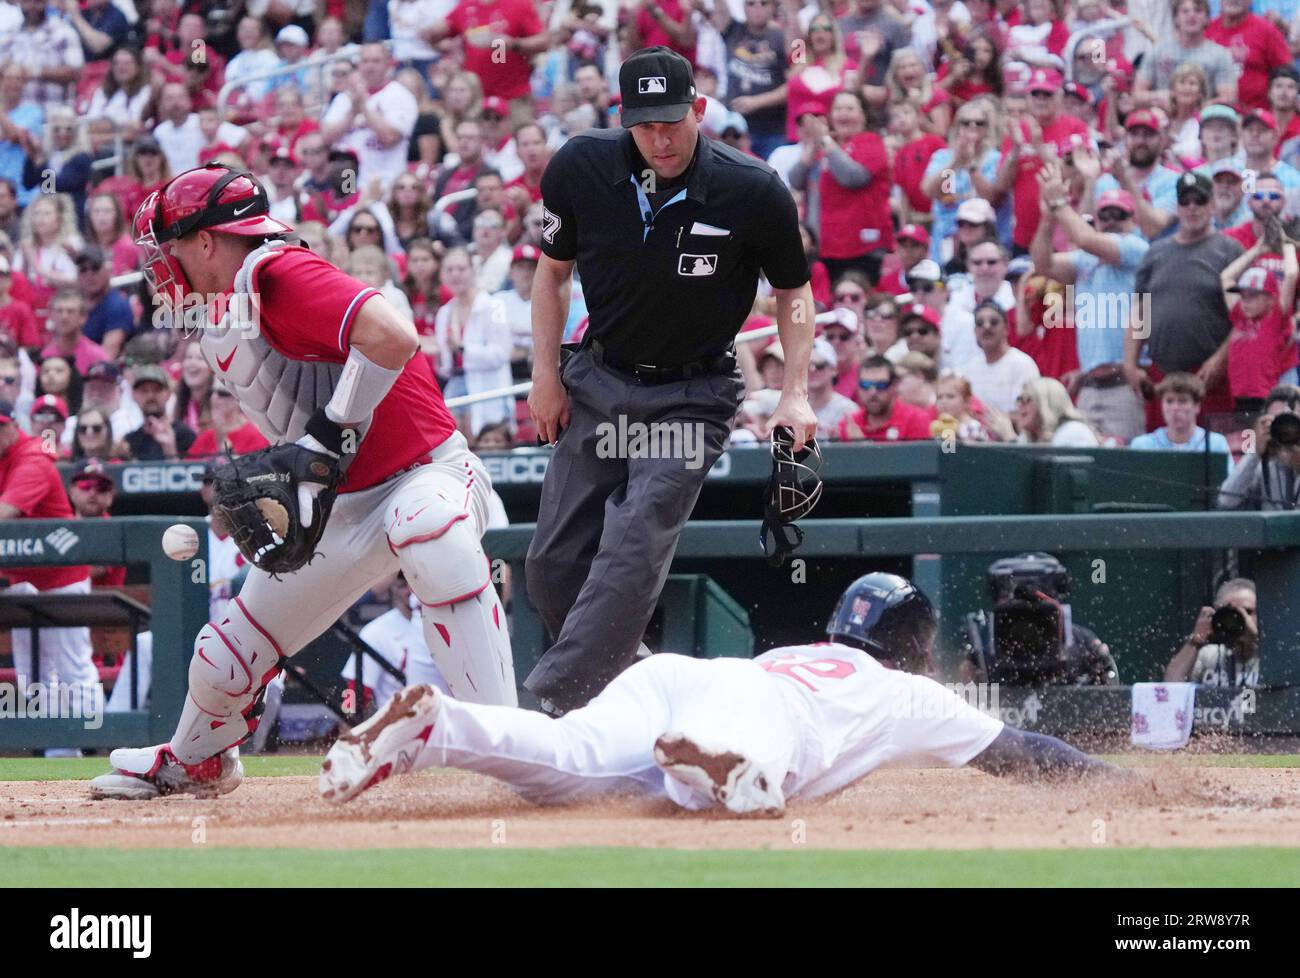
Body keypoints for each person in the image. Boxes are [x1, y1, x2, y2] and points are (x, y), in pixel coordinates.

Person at [88, 162, 517, 801]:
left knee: (429, 529)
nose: (161, 266)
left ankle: (513, 751)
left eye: (168, 248)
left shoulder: (276, 271)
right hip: (345, 498)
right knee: (228, 653)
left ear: (206, 241)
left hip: (427, 472)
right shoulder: (223, 306)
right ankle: (195, 759)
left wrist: (326, 435)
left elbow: (393, 336)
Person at [524, 47, 814, 715]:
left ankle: (555, 706)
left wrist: (795, 390)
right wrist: (546, 375)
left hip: (693, 395)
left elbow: (794, 294)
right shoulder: (579, 167)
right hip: (597, 380)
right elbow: (551, 274)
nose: (660, 137)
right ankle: (650, 693)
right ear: (624, 119)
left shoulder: (754, 188)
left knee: (634, 537)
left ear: (700, 112)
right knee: (551, 568)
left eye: (672, 121)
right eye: (645, 123)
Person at [321, 572, 1123, 811]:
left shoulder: (804, 650)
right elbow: (1024, 751)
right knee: (754, 778)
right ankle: (726, 769)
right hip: (754, 711)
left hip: (686, 673)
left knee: (570, 763)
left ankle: (441, 727)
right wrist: (1122, 783)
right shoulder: (902, 692)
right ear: (913, 644)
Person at [0, 397, 99, 718]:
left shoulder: (32, 459)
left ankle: (98, 746)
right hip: (23, 580)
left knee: (73, 670)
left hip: (62, 579)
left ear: (14, 427)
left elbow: (5, 512)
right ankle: (59, 752)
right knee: (33, 678)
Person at [1031, 175, 1149, 442]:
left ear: (1134, 221)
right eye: (1104, 214)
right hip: (1090, 385)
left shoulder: (1137, 247)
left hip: (1124, 385)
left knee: (1121, 467)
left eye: (1119, 214)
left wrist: (1058, 202)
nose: (1110, 220)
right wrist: (1048, 219)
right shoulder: (1084, 261)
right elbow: (1041, 264)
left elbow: (1084, 238)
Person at [1126, 172, 1244, 429]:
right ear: (1177, 207)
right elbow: (1139, 311)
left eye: (1199, 201)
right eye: (1185, 201)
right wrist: (1130, 364)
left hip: (1209, 378)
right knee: (1162, 459)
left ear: (1212, 205)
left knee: (1213, 457)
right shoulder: (1155, 253)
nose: (1192, 207)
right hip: (1162, 377)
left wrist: (1219, 360)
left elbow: (1244, 317)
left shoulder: (1230, 250)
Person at [341, 572, 450, 718]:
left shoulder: (450, 625)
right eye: (403, 585)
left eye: (415, 583)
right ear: (391, 589)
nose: (411, 591)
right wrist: (349, 721)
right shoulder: (376, 631)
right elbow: (355, 690)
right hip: (401, 723)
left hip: (450, 718)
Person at [319, 44, 418, 194]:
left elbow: (390, 137)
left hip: (385, 179)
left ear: (388, 64)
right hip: (348, 178)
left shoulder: (400, 95)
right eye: (365, 61)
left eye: (376, 61)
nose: (370, 67)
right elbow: (326, 137)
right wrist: (352, 111)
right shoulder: (344, 97)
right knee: (347, 208)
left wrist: (364, 107)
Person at [1221, 241, 1299, 412]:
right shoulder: (1240, 316)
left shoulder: (1275, 318)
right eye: (1243, 296)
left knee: (1269, 437)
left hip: (1267, 400)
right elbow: (1226, 277)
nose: (1246, 301)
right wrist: (1258, 249)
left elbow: (1292, 274)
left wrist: (1286, 245)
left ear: (1271, 298)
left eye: (1253, 296)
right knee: (1246, 438)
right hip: (1239, 399)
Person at [1164, 578, 1260, 687]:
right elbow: (1171, 687)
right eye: (1229, 614)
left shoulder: (1272, 657)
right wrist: (1195, 641)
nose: (1237, 619)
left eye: (1248, 612)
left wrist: (1255, 638)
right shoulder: (1209, 656)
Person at [1217, 383, 1300, 509]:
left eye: (1291, 419)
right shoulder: (1263, 465)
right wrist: (1255, 453)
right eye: (1276, 420)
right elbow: (1226, 500)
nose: (1285, 427)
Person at [957, 299, 1040, 415]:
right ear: (975, 331)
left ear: (1006, 328)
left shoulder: (1022, 364)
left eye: (994, 322)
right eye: (980, 323)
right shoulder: (969, 369)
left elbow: (1028, 413)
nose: (986, 327)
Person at [836, 355, 934, 441]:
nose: (873, 392)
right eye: (865, 385)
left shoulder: (915, 419)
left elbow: (915, 461)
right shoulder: (849, 425)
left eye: (881, 385)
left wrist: (862, 446)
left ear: (894, 385)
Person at [123, 363, 196, 461]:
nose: (150, 396)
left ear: (169, 394)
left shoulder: (187, 437)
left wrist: (170, 452)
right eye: (144, 390)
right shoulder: (129, 442)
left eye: (157, 390)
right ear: (134, 395)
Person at [1011, 376, 1101, 446]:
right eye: (1019, 399)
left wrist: (1010, 438)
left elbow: (1055, 469)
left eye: (1026, 399)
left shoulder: (1073, 431)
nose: (1020, 405)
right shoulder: (1027, 437)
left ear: (1046, 403)